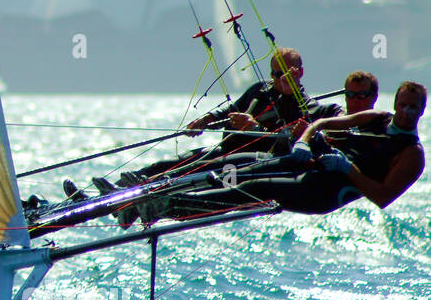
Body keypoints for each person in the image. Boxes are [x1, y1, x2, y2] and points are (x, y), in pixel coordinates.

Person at [62, 47, 339, 202]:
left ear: (300, 72)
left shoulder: (307, 107)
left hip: (245, 165)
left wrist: (254, 128)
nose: (279, 79)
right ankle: (107, 194)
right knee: (171, 162)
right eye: (275, 73)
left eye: (286, 73)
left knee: (187, 171)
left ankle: (130, 198)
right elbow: (230, 109)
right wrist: (206, 120)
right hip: (223, 150)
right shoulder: (260, 90)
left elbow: (287, 147)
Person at [149, 80, 425, 221]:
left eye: (413, 107)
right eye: (402, 104)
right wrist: (304, 140)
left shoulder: (412, 153)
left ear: (422, 110)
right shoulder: (378, 117)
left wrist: (346, 168)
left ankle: (168, 208)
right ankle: (155, 190)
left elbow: (382, 197)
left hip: (324, 192)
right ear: (395, 102)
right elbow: (321, 123)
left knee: (255, 188)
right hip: (308, 166)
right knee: (238, 167)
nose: (405, 111)